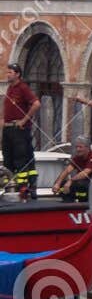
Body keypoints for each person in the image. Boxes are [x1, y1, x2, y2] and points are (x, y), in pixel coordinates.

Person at [2, 62, 40, 200]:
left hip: (19, 129)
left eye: (10, 72)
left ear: (17, 74)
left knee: (21, 159)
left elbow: (36, 103)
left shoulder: (23, 88)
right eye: (7, 72)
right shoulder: (10, 89)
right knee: (8, 159)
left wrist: (24, 120)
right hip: (8, 129)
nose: (7, 74)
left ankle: (23, 187)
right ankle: (10, 185)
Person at [54, 137, 92, 201]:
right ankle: (68, 203)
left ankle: (82, 202)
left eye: (80, 147)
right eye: (76, 147)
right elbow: (67, 170)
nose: (78, 149)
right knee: (62, 183)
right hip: (83, 185)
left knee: (79, 184)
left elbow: (85, 173)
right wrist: (58, 183)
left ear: (87, 148)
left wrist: (70, 180)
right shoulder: (77, 158)